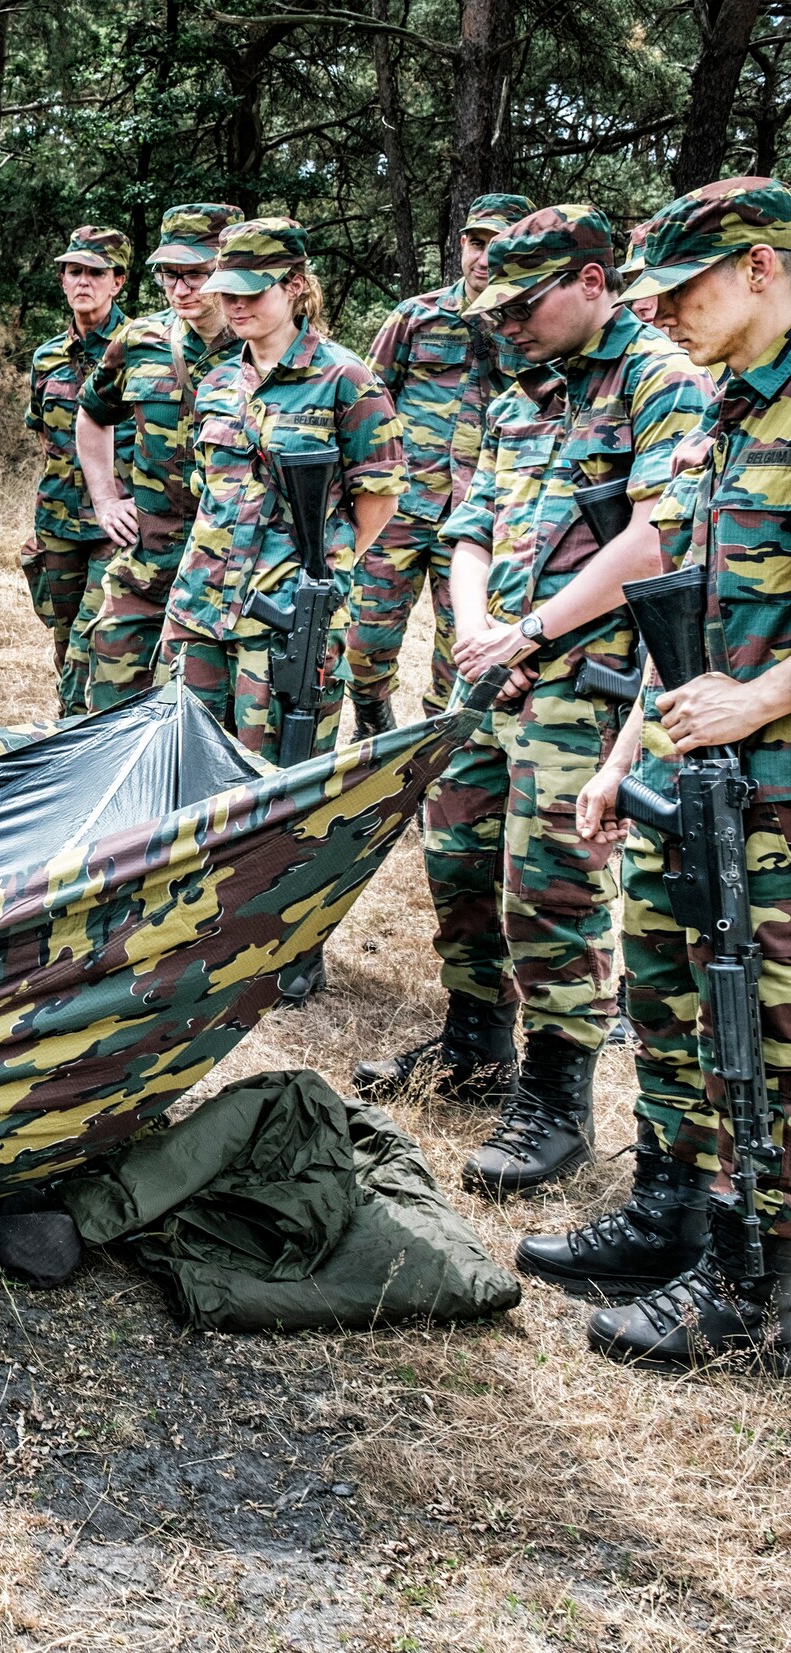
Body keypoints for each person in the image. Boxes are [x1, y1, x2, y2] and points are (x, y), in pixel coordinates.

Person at [529, 177, 791, 1367]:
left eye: (679, 289)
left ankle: (752, 1280)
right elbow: (671, 608)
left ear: (760, 268)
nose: (662, 313)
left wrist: (763, 696)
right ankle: (672, 1217)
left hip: (774, 769)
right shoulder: (719, 416)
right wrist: (619, 755)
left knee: (768, 1032)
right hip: (694, 777)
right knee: (673, 1004)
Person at [428, 204, 712, 1196]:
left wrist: (532, 632)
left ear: (590, 283)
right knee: (455, 857)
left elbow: (656, 539)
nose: (500, 324)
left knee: (550, 891)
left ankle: (552, 1107)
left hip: (583, 684)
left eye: (520, 305)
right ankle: (472, 1047)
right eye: (490, 309)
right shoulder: (526, 389)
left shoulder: (656, 379)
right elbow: (467, 523)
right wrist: (476, 631)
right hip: (490, 672)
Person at [162, 217, 405, 759]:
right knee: (182, 765)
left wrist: (320, 565)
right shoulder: (217, 382)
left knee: (267, 780)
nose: (235, 306)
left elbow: (380, 497)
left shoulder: (348, 381)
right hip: (200, 607)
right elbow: (210, 491)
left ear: (294, 284)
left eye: (252, 292)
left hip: (283, 614)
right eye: (226, 293)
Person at [345, 194, 534, 740]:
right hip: (400, 509)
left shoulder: (529, 323)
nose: (483, 257)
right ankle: (372, 715)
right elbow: (368, 402)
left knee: (464, 651)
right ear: (461, 244)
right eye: (476, 243)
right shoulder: (416, 316)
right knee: (365, 639)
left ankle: (437, 752)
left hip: (480, 519)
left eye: (497, 246)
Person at [73, 204, 245, 711]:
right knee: (107, 704)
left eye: (197, 274)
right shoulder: (141, 340)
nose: (181, 288)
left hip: (233, 569)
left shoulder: (260, 340)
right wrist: (106, 497)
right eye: (171, 274)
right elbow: (92, 414)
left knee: (210, 720)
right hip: (151, 557)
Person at [21, 225, 132, 715]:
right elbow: (41, 430)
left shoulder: (141, 347)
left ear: (118, 281)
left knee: (97, 640)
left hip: (117, 523)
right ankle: (73, 730)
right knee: (65, 641)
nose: (82, 280)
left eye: (95, 272)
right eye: (73, 271)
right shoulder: (46, 356)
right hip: (59, 521)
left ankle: (75, 730)